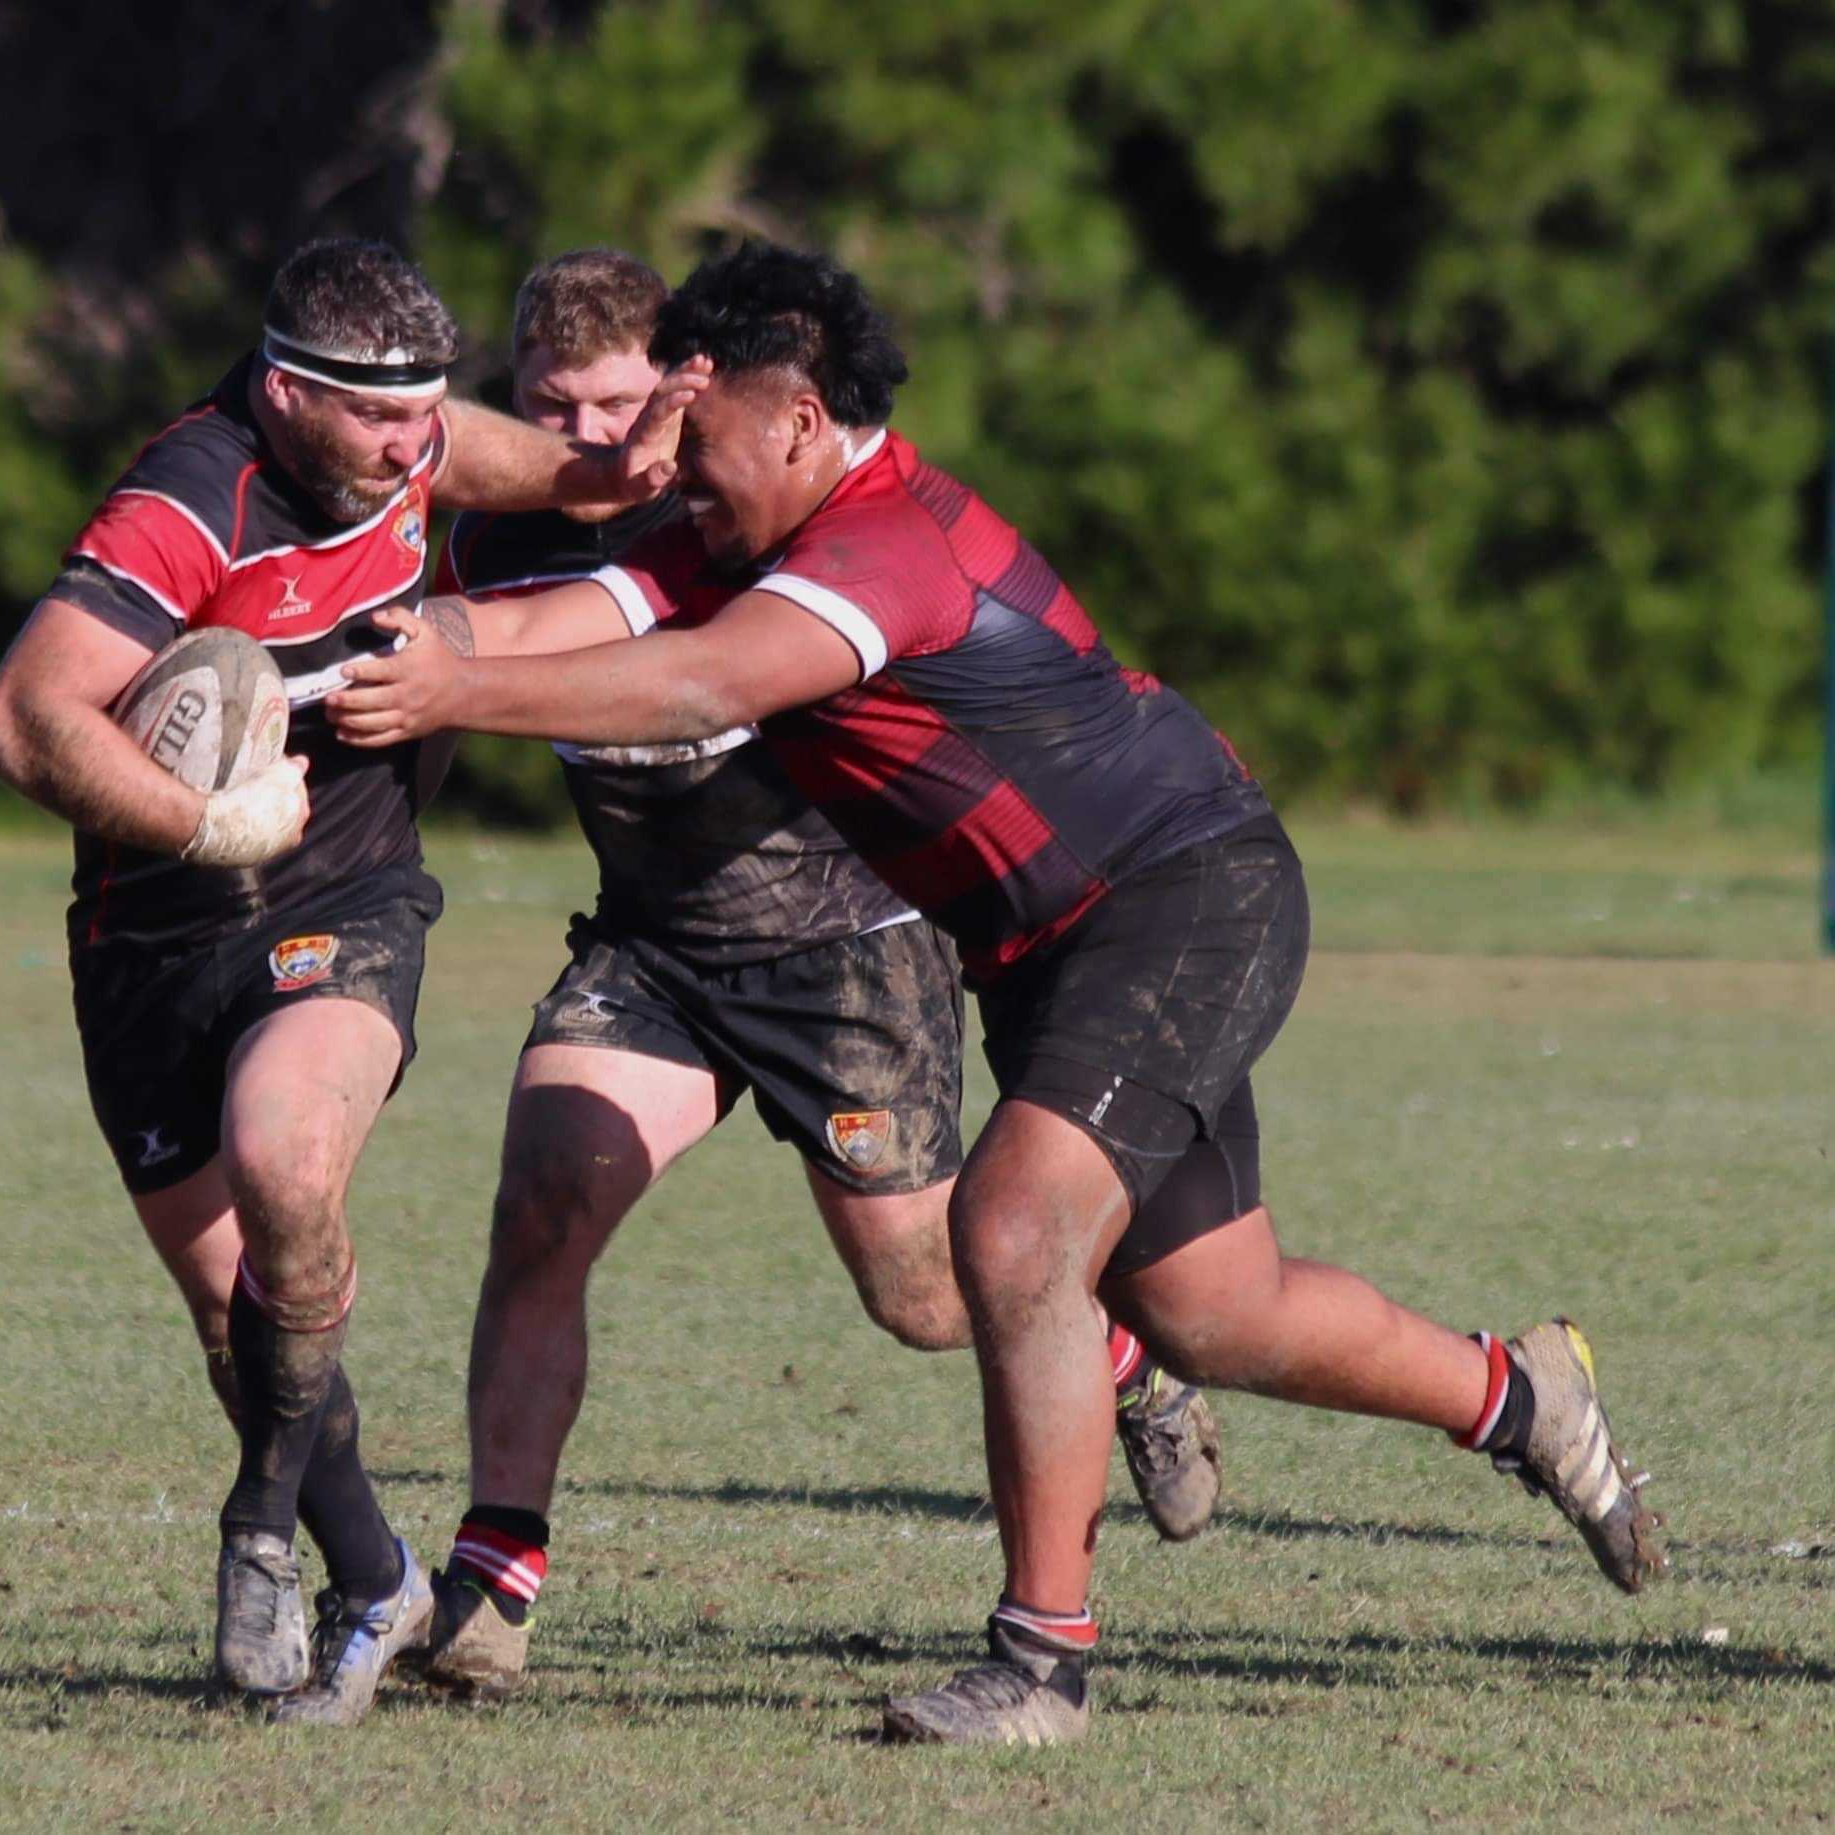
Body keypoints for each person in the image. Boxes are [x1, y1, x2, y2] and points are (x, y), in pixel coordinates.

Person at [324, 241, 1670, 1746]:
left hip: (1177, 894)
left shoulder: (879, 545)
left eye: (687, 442)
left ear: (796, 419)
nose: (660, 477)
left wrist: (459, 691)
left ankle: (1039, 1666)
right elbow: (553, 621)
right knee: (1213, 1315)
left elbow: (703, 684)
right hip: (1036, 949)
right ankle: (1519, 1397)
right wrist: (364, 655)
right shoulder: (731, 522)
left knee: (1008, 1229)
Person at [396, 249, 1225, 1699]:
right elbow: (449, 670)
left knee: (920, 1292)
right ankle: (492, 1581)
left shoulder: (743, 515)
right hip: (653, 946)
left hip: (841, 936)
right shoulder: (496, 537)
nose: (588, 439)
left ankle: (1119, 1359)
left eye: (613, 404)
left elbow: (698, 676)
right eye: (549, 405)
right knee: (542, 1202)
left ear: (688, 391)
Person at [0, 237, 684, 1727]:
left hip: (346, 897)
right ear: (288, 395)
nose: (411, 446)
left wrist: (590, 479)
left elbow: (470, 447)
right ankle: (374, 1580)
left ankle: (252, 1529)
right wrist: (203, 820)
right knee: (238, 1312)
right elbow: (25, 718)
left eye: (428, 412)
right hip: (151, 941)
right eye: (377, 418)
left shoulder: (406, 444)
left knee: (286, 1159)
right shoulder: (189, 503)